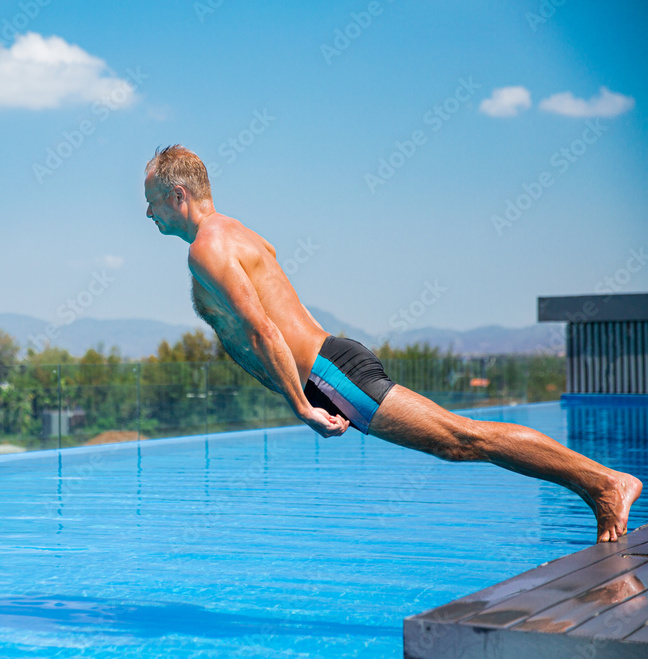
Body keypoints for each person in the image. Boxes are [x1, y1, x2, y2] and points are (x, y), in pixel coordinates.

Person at [143, 144, 641, 543]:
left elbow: (263, 330)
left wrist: (301, 405)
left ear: (179, 195)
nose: (147, 213)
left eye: (151, 200)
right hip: (333, 364)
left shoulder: (208, 248)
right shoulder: (237, 233)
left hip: (328, 374)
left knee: (462, 438)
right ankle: (596, 488)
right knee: (459, 442)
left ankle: (604, 483)